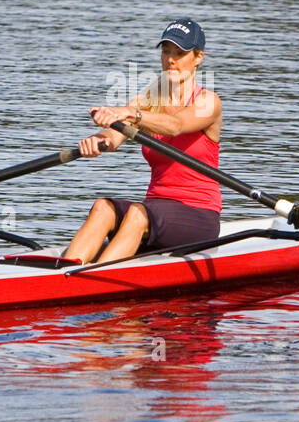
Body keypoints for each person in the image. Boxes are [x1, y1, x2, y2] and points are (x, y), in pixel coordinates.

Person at [64, 19, 222, 264]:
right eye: (166, 51)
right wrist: (97, 141)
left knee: (138, 213)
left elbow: (176, 125)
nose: (170, 60)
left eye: (179, 53)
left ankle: (94, 280)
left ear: (198, 57)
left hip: (199, 215)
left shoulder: (208, 102)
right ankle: (63, 273)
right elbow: (115, 137)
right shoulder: (148, 99)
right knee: (102, 207)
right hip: (155, 211)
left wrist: (132, 114)